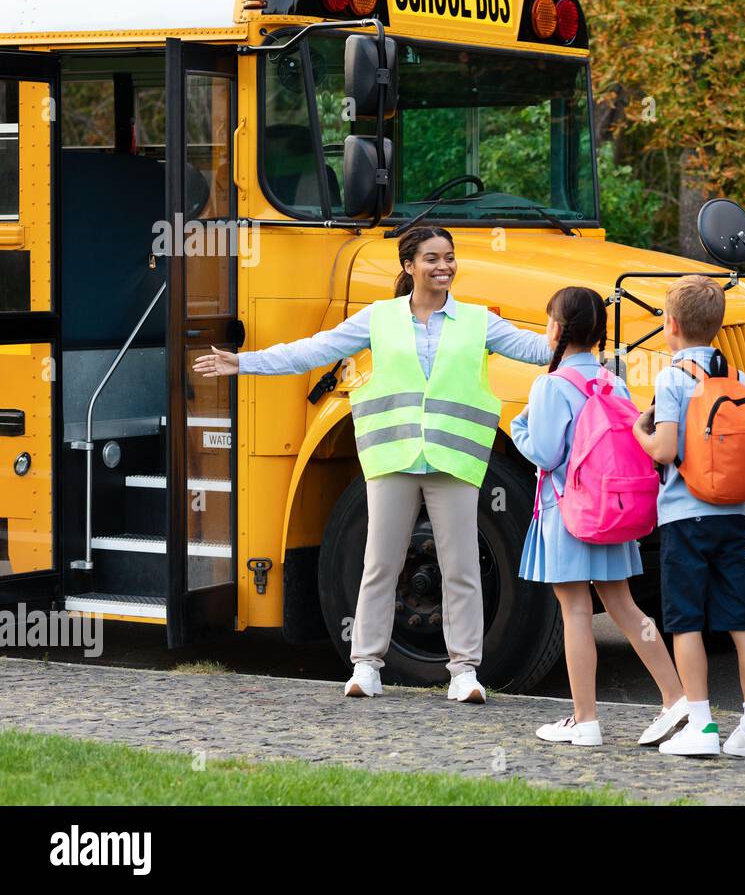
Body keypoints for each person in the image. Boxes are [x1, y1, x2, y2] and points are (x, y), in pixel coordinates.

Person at [193, 224, 551, 702]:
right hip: (392, 457)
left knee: (461, 566)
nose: (443, 266)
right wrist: (245, 363)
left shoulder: (480, 322)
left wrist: (587, 341)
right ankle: (366, 665)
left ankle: (464, 671)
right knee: (380, 563)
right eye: (432, 258)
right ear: (409, 266)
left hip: (453, 460)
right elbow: (314, 350)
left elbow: (538, 351)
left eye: (449, 257)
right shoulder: (377, 319)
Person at [511, 286, 689, 747]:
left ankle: (584, 719)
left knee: (575, 612)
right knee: (626, 607)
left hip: (568, 512)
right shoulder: (614, 381)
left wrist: (519, 428)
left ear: (557, 328)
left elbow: (547, 454)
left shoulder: (551, 385)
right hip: (612, 509)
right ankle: (676, 696)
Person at [631, 275, 745, 759]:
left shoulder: (671, 377)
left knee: (685, 620)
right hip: (733, 513)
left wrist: (639, 433)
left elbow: (666, 449)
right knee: (741, 618)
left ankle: (702, 723)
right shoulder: (740, 377)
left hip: (684, 516)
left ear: (670, 324)